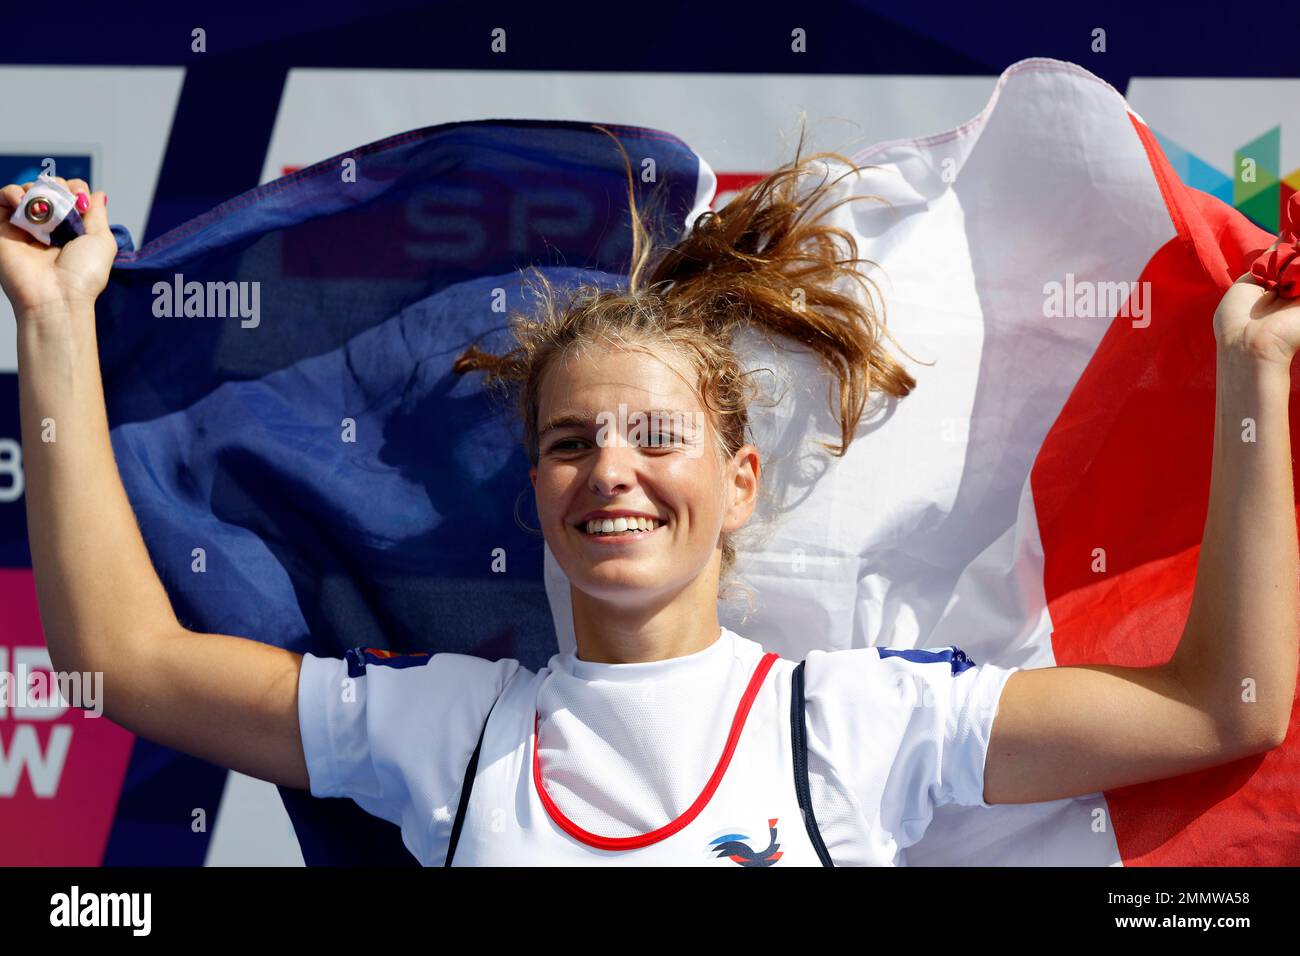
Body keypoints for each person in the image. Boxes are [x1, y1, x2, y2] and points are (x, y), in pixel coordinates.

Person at [1, 130, 1295, 866]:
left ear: (737, 485)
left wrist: (1249, 368)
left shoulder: (851, 721)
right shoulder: (447, 732)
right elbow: (119, 659)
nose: (609, 468)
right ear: (540, 490)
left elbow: (1224, 702)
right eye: (570, 442)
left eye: (651, 434)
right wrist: (54, 322)